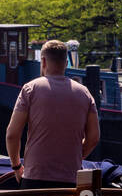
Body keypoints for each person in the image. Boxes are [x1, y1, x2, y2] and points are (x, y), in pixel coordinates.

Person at [5, 39, 100, 188]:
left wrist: (17, 167)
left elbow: (12, 134)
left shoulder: (30, 89)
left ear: (43, 61)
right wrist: (74, 156)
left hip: (35, 178)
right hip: (70, 179)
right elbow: (94, 137)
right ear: (65, 62)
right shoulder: (84, 93)